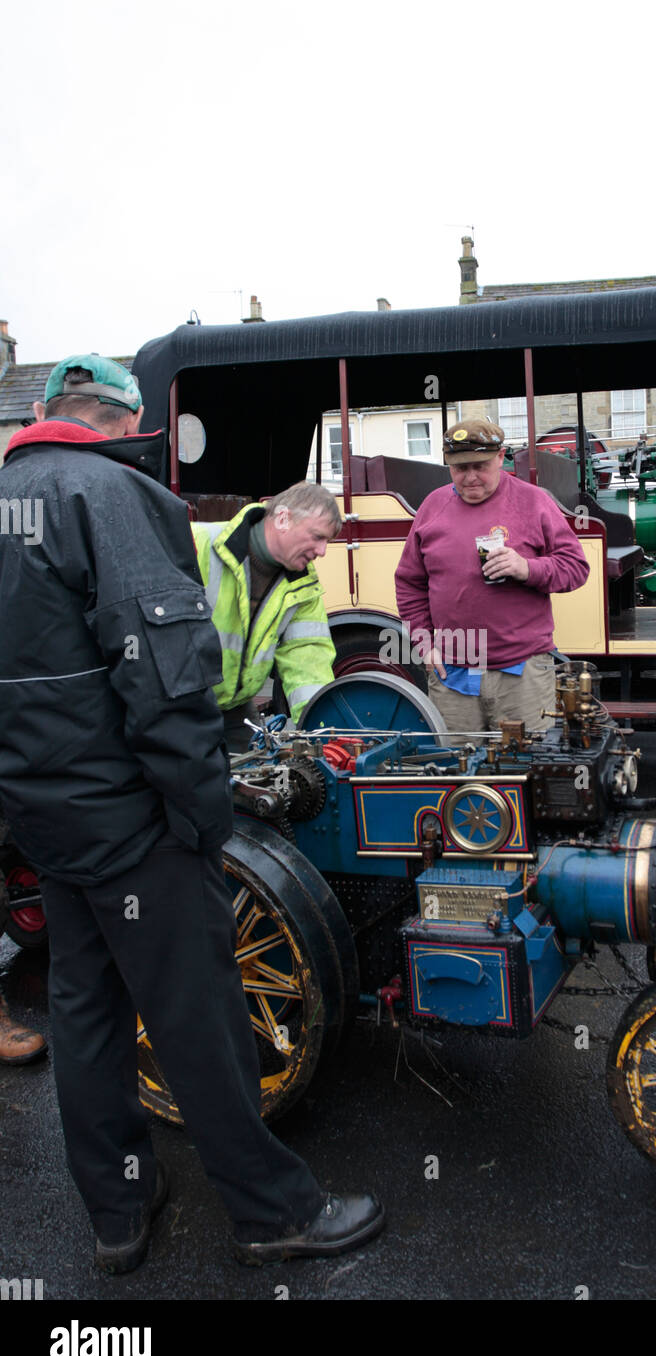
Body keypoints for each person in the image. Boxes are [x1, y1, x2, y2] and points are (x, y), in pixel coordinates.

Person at [0, 355, 383, 1272]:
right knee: (200, 1012)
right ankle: (271, 1212)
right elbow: (168, 682)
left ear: (48, 412)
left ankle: (118, 1212)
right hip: (137, 821)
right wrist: (205, 814)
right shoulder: (114, 496)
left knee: (84, 1010)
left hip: (45, 818)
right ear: (120, 420)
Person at [394, 419, 590, 732]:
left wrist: (526, 568)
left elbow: (576, 568)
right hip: (451, 673)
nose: (470, 477)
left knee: (526, 770)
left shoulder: (534, 502)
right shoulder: (432, 507)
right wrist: (424, 642)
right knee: (457, 772)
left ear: (501, 457)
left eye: (480, 466)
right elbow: (409, 583)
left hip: (521, 672)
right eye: (460, 468)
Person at [191, 484, 339, 751]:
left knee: (250, 783)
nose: (322, 551)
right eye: (317, 537)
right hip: (181, 706)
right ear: (283, 518)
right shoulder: (196, 544)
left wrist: (323, 734)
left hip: (236, 708)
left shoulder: (303, 583)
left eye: (327, 541)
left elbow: (308, 660)